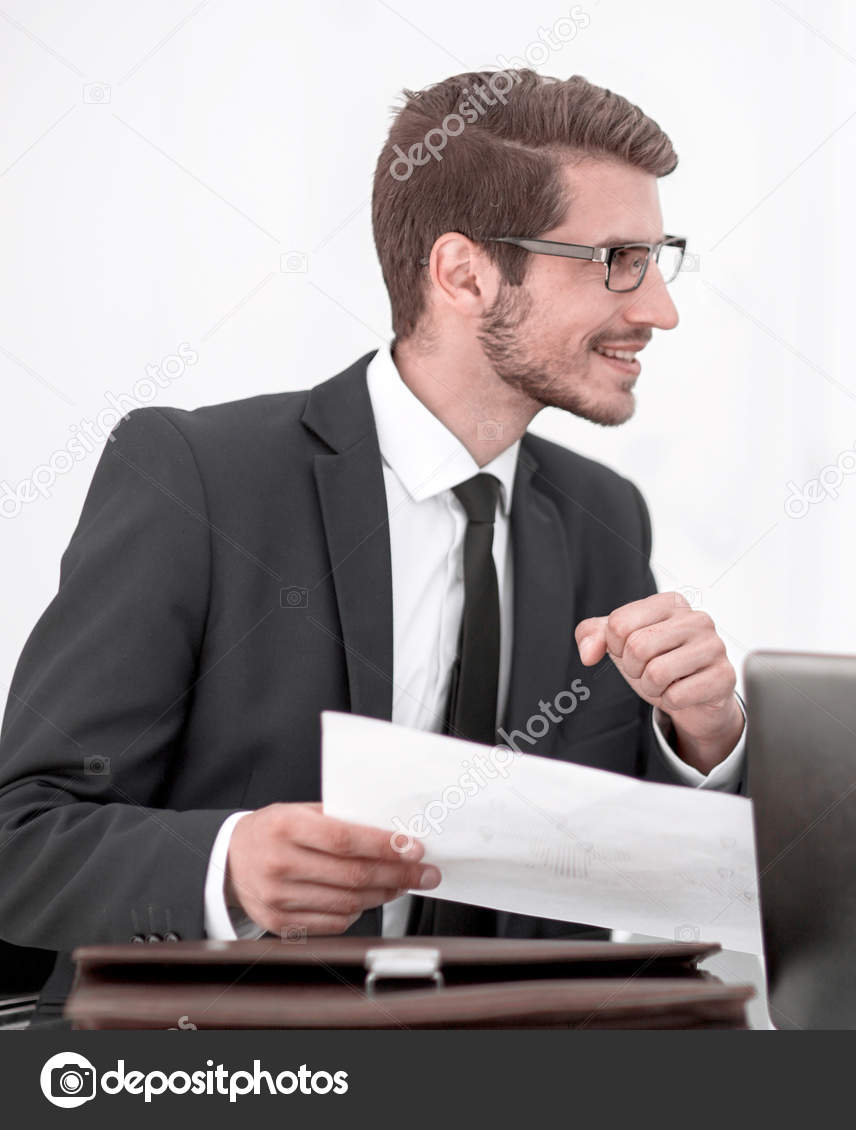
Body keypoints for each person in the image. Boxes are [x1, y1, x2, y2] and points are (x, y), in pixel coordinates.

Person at [0, 70, 744, 1021]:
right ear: (465, 273)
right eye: (615, 261)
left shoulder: (604, 514)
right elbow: (23, 838)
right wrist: (228, 866)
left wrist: (704, 734)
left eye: (656, 258)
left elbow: (636, 855)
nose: (658, 309)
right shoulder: (197, 477)